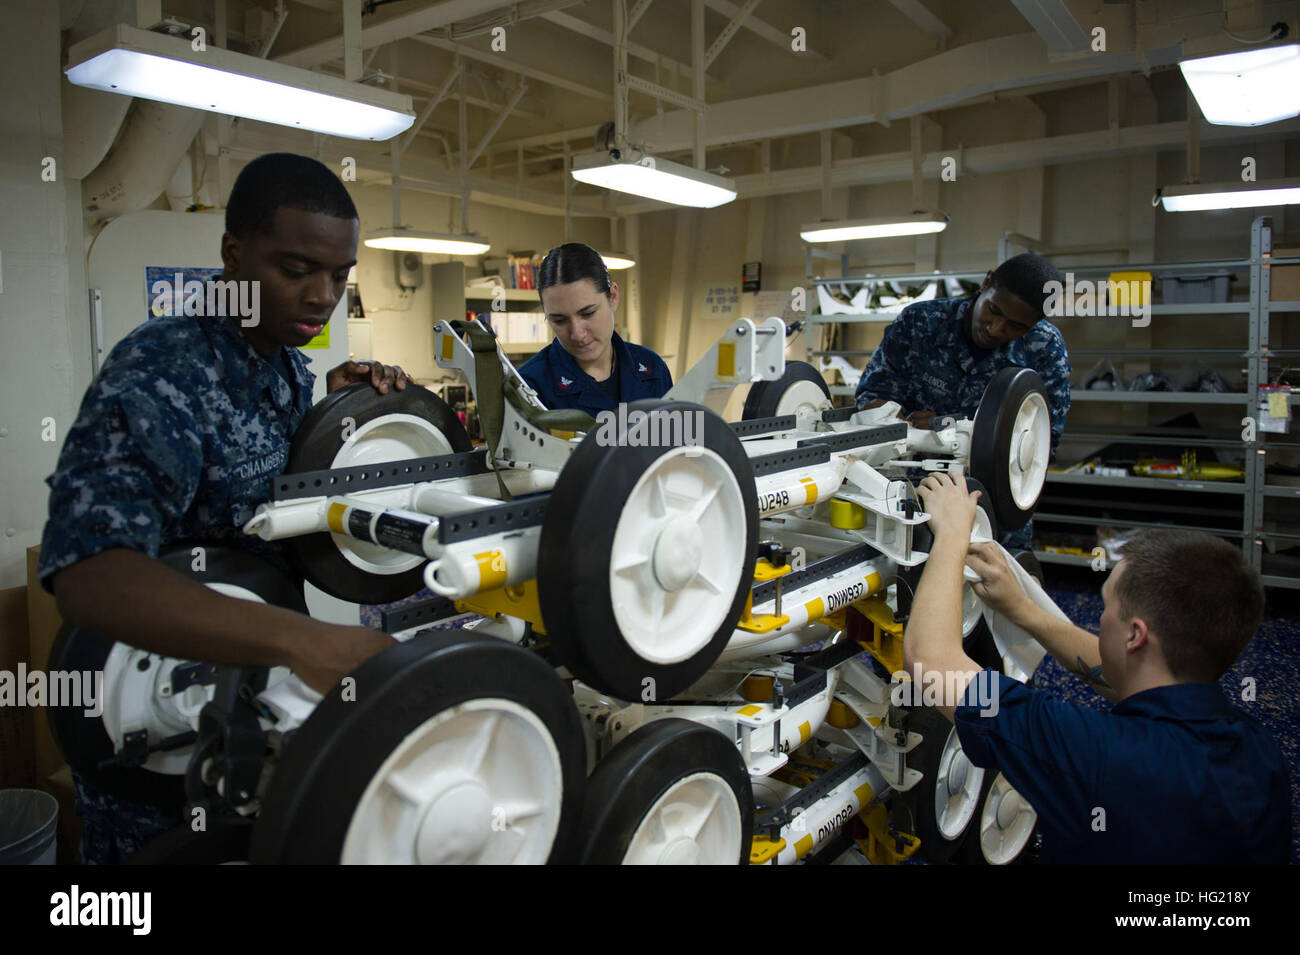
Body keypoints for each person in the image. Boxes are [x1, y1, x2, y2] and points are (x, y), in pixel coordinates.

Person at [37, 152, 410, 863]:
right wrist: (304, 642)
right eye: (296, 268)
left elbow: (258, 508)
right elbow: (89, 573)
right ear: (233, 254)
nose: (321, 295)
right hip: (158, 746)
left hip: (247, 710)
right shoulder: (163, 369)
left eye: (339, 275)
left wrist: (336, 415)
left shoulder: (279, 365)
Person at [904, 471, 1291, 864]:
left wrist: (952, 534)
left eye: (1107, 607)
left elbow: (932, 662)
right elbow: (1125, 671)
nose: (1100, 618)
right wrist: (1023, 610)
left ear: (1135, 636)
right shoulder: (1261, 754)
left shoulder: (1089, 751)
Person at [854, 252, 1071, 549]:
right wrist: (888, 418)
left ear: (1035, 323)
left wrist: (950, 426)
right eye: (993, 310)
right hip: (907, 501)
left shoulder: (1045, 348)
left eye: (1016, 327)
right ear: (986, 282)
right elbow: (872, 393)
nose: (996, 329)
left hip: (993, 515)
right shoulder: (921, 323)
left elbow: (1045, 442)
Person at [517, 242, 671, 417]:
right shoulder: (530, 386)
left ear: (612, 297)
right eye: (559, 320)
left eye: (588, 313)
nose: (577, 334)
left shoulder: (653, 369)